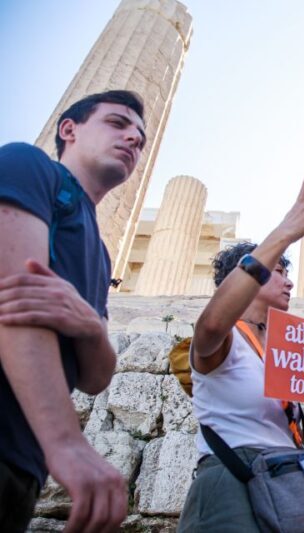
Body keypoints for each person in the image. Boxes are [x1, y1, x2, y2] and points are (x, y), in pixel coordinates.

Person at [0, 90, 147, 533]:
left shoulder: (101, 255)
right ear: (69, 129)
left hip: (24, 462)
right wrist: (65, 441)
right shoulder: (29, 167)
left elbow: (96, 376)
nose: (132, 140)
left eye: (140, 139)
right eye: (118, 123)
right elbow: (13, 302)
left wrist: (87, 325)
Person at [178, 177, 304, 532]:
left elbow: (289, 441)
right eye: (278, 271)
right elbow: (211, 326)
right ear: (243, 276)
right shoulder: (225, 338)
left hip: (285, 484)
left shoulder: (283, 349)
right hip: (231, 490)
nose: (289, 282)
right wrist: (284, 234)